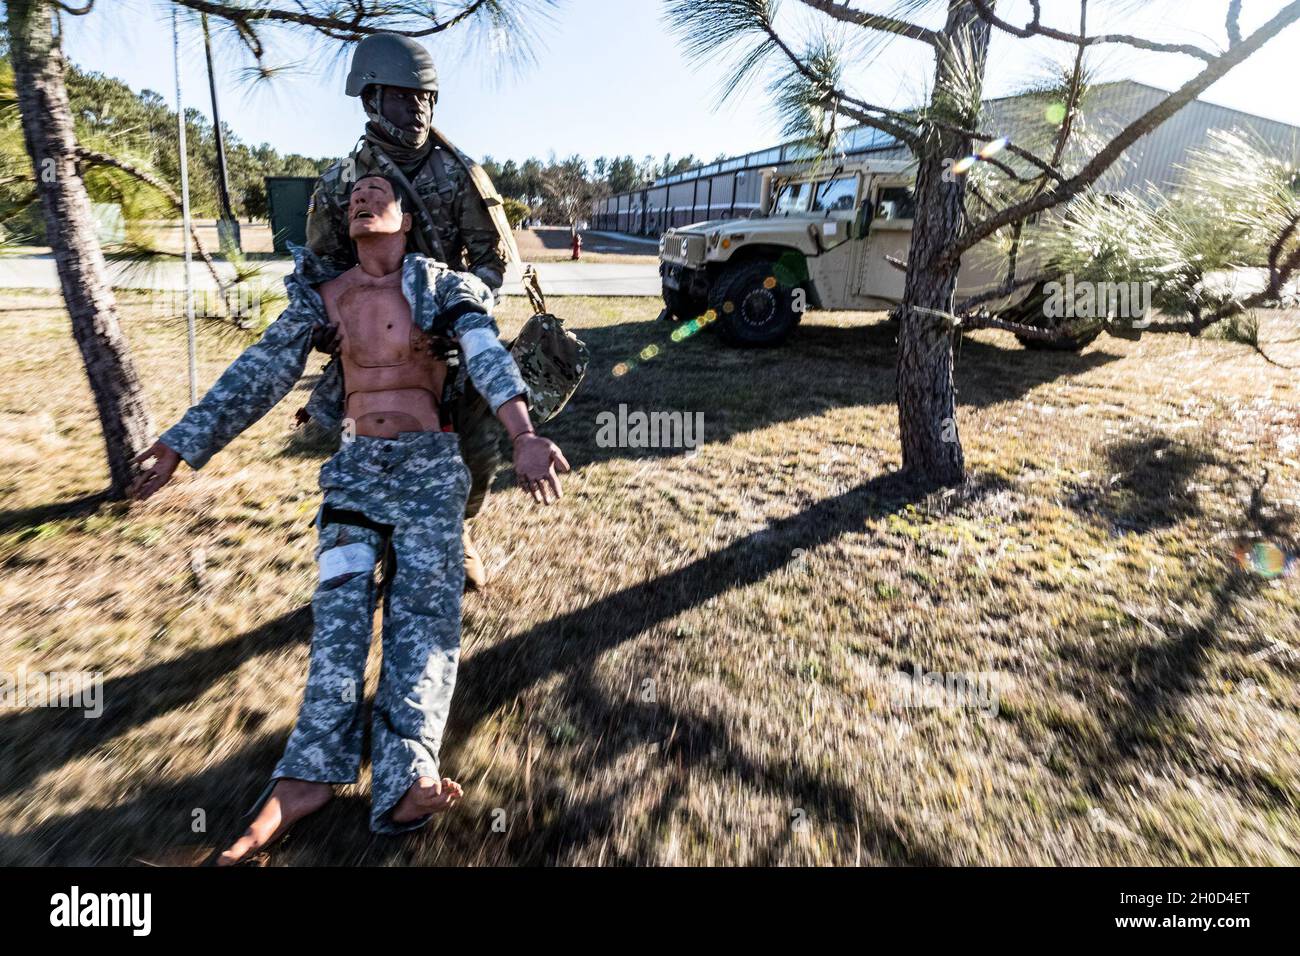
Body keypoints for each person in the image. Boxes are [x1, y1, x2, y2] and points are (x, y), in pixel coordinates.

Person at [130, 174, 568, 864]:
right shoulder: (326, 297)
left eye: (376, 192)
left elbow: (483, 352)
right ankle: (306, 776)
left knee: (422, 625)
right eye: (353, 197)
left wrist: (522, 435)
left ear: (404, 216)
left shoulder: (440, 287)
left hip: (429, 471)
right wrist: (183, 443)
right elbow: (262, 370)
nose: (362, 199)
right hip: (355, 473)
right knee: (338, 625)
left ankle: (407, 774)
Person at [305, 32, 514, 590]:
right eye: (404, 96)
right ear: (371, 99)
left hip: (452, 347)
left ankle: (460, 531)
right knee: (369, 452)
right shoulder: (340, 185)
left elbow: (494, 259)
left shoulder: (462, 174)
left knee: (475, 450)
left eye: (426, 97)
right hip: (374, 355)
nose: (417, 107)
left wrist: (461, 306)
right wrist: (333, 328)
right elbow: (319, 273)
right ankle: (367, 543)